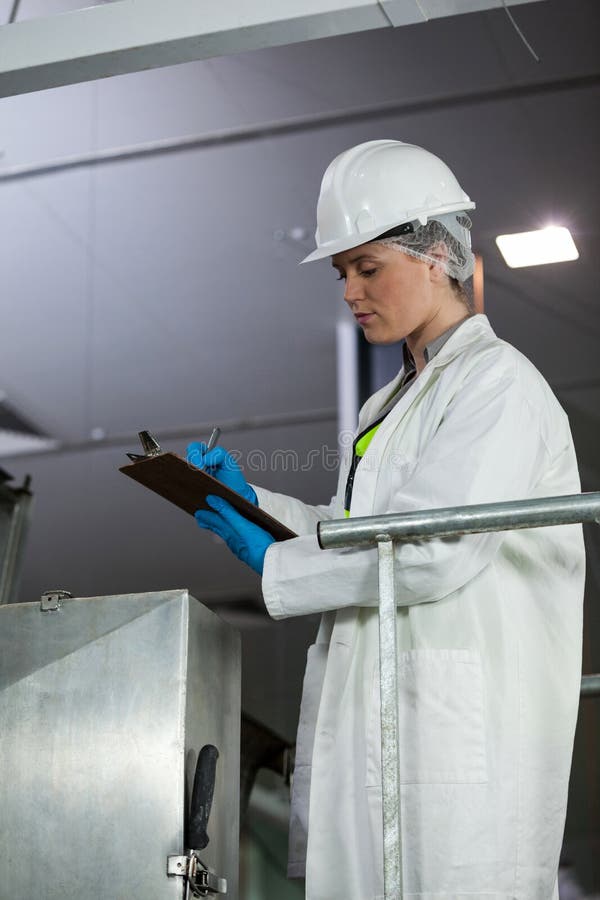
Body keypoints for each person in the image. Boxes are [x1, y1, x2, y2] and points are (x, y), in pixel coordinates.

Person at [188, 140, 585, 900]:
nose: (349, 291)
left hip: (457, 751)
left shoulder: (499, 385)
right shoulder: (390, 404)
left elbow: (436, 548)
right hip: (385, 738)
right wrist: (258, 509)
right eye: (343, 274)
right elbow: (361, 534)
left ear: (438, 254)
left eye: (367, 268)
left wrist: (276, 564)